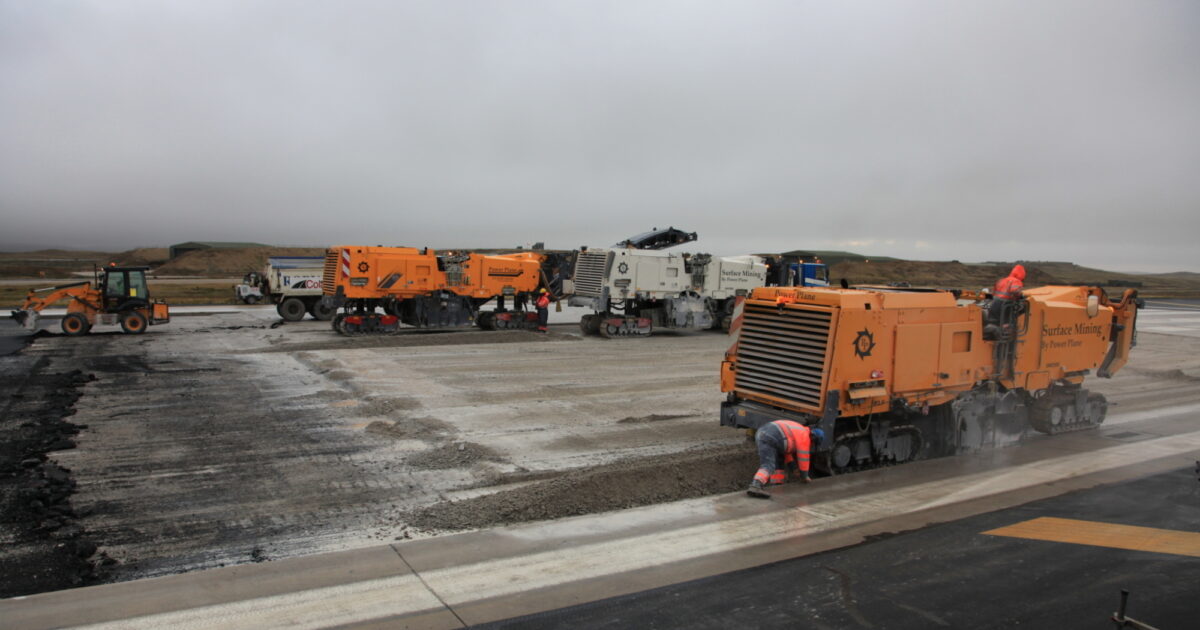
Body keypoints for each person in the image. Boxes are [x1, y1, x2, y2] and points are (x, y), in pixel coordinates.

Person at [747, 420, 824, 498]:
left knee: (779, 460)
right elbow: (803, 458)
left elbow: (786, 452)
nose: (812, 446)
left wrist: (793, 468)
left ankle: (777, 485)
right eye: (814, 444)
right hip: (771, 436)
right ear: (813, 438)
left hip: (765, 432)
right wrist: (804, 476)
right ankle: (755, 485)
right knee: (768, 465)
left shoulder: (798, 431)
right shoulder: (805, 436)